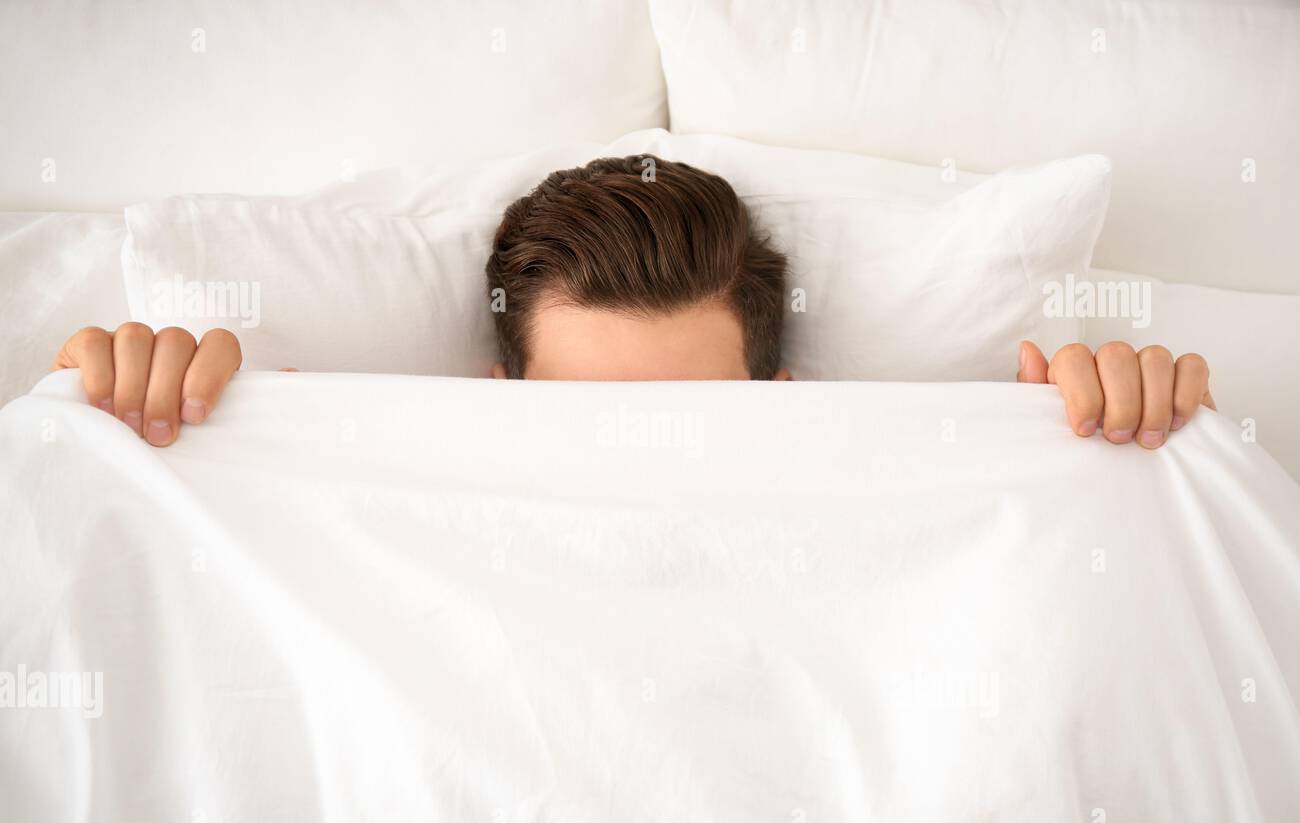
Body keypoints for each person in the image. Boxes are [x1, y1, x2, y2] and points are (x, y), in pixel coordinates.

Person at [51, 155, 1213, 448]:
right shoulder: (381, 467)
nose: (645, 452)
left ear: (783, 397)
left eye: (697, 419)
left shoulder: (864, 478)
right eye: (582, 420)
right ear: (496, 398)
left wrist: (1109, 444)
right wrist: (158, 426)